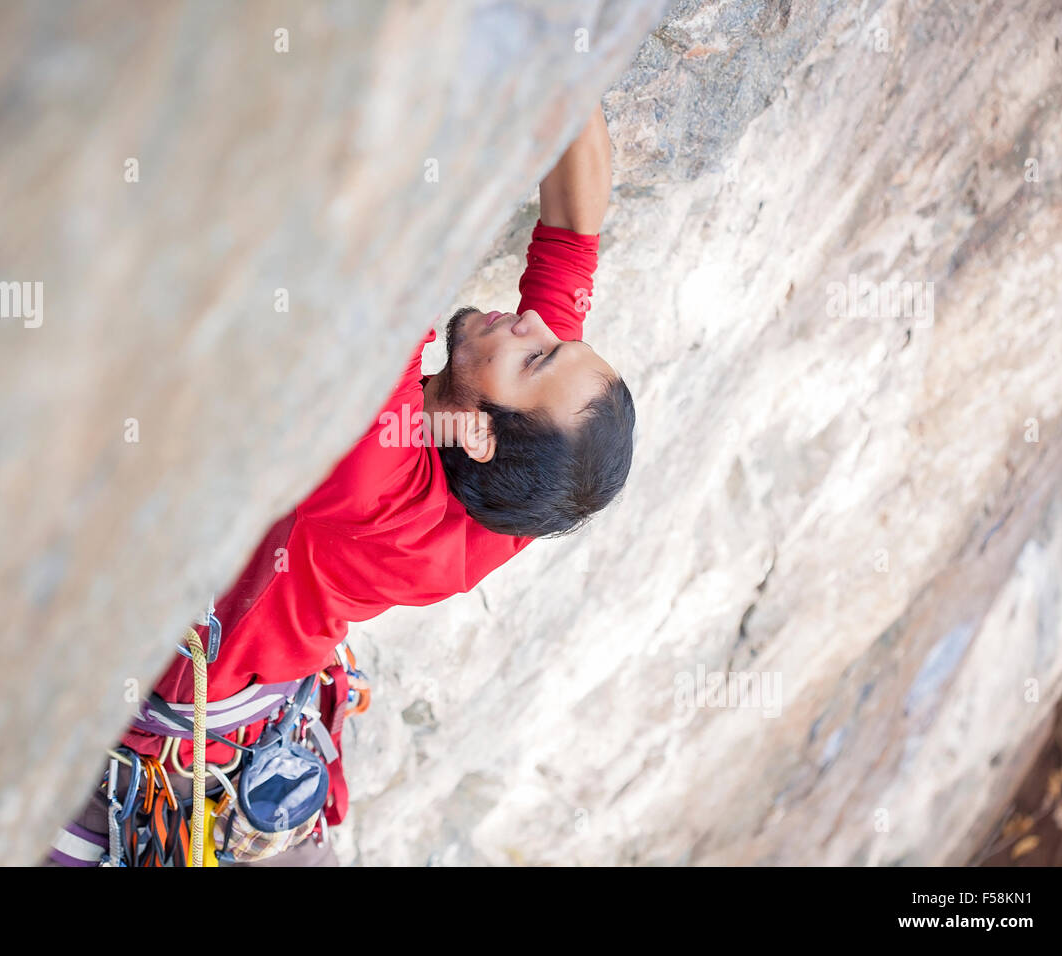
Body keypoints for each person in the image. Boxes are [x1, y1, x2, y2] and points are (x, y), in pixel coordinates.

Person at [45, 102, 634, 867]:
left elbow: (393, 249)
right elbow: (573, 242)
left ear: (485, 434)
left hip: (170, 743)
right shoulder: (519, 489)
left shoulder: (368, 480)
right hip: (257, 739)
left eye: (539, 355)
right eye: (556, 341)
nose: (532, 326)